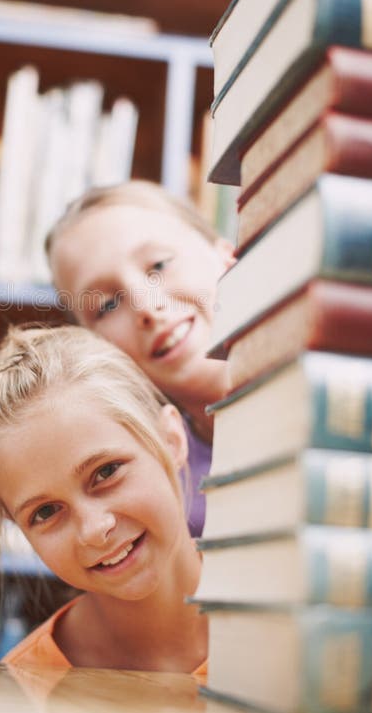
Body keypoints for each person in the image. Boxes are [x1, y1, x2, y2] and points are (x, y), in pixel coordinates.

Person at [0, 324, 208, 675]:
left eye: (106, 473)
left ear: (171, 439)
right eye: (45, 512)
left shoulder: (297, 615)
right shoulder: (24, 690)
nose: (94, 530)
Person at [45, 180, 235, 537]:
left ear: (226, 256)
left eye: (158, 266)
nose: (147, 307)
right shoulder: (152, 492)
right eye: (107, 306)